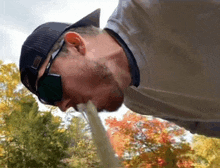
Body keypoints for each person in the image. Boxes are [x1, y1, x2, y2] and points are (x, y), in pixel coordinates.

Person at [19, 0, 220, 138]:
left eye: (50, 88)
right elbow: (202, 124)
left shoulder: (147, 5)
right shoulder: (137, 102)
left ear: (75, 44)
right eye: (49, 101)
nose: (63, 107)